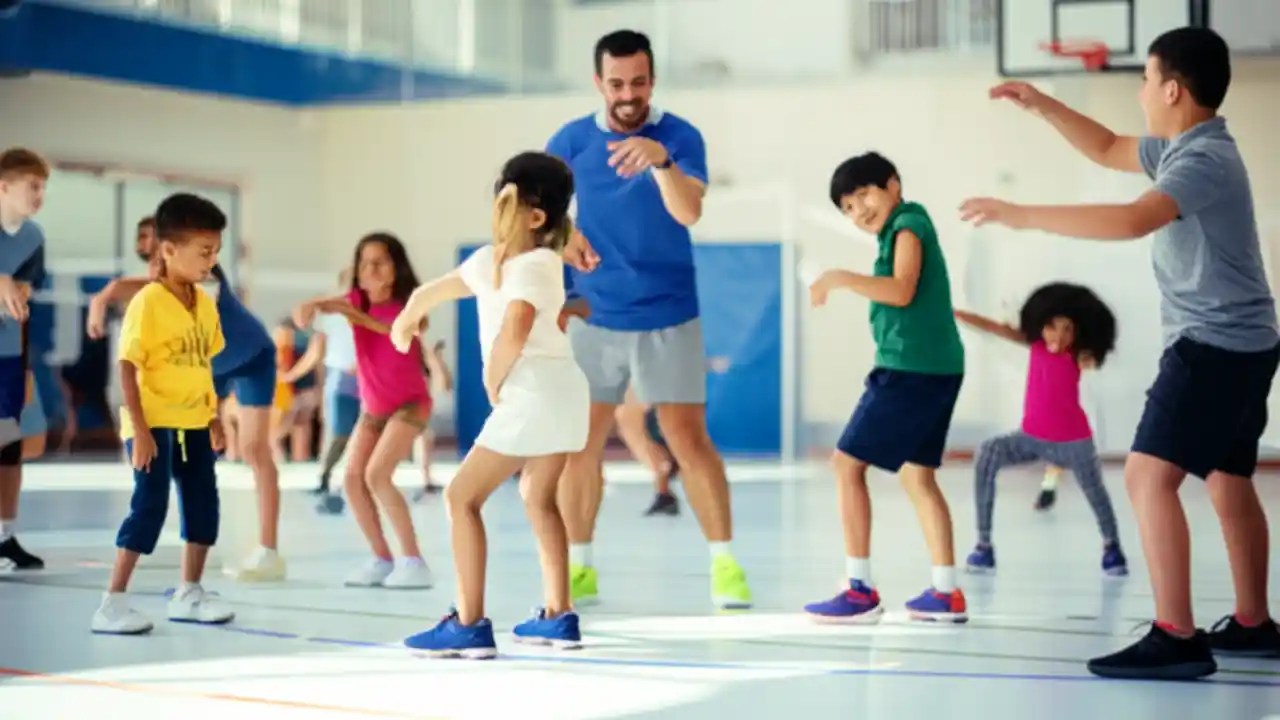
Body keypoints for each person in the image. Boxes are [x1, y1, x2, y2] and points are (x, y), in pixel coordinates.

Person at [960, 26, 1280, 679]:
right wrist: (1043, 104)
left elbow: (1135, 220)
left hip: (1212, 344)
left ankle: (1176, 635)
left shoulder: (1200, 163)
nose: (1138, 91)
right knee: (1227, 478)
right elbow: (1106, 146)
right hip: (1246, 343)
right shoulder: (1186, 148)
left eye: (1144, 79)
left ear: (1171, 87)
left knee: (1144, 475)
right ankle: (1252, 623)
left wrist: (1021, 214)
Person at [545, 29, 750, 609]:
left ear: (652, 80)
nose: (627, 94)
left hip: (668, 315)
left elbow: (688, 211)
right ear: (598, 83)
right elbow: (536, 218)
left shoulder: (680, 136)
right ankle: (581, 567)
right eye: (616, 84)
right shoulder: (570, 141)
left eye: (638, 82)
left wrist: (661, 163)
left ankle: (725, 565)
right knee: (581, 443)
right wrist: (566, 241)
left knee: (687, 438)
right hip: (594, 315)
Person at [393, 151, 586, 657]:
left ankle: (469, 622)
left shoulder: (540, 263)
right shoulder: (490, 261)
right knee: (538, 497)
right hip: (559, 392)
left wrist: (491, 377)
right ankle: (557, 615)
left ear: (535, 216)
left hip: (536, 392)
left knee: (461, 497)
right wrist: (408, 315)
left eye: (507, 198)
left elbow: (516, 325)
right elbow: (437, 290)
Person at [802, 151, 968, 624]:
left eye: (864, 195)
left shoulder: (908, 223)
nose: (859, 210)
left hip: (911, 369)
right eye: (847, 207)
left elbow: (901, 290)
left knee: (845, 465)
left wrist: (838, 278)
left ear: (893, 185)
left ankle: (858, 590)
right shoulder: (897, 233)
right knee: (918, 476)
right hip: (934, 367)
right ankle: (946, 593)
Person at [87, 217, 286, 583]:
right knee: (185, 476)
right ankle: (179, 576)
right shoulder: (157, 292)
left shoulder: (198, 272)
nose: (147, 242)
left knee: (256, 450)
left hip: (251, 354)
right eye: (142, 237)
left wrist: (106, 293)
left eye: (153, 235)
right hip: (209, 365)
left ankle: (268, 550)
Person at [90, 193, 234, 634]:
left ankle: (189, 592)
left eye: (215, 251)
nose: (212, 261)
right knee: (149, 506)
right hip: (154, 423)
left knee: (203, 505)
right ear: (168, 250)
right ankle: (112, 603)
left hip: (194, 422)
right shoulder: (148, 302)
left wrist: (211, 417)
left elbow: (203, 365)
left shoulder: (204, 303)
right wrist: (142, 429)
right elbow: (127, 366)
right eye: (204, 251)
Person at [955, 283, 1127, 577]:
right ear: (1039, 325)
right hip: (1031, 439)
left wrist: (1089, 356)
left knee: (1095, 492)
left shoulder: (1077, 356)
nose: (1058, 336)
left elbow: (1092, 360)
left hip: (1074, 443)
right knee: (987, 453)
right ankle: (984, 546)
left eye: (1067, 329)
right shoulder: (1033, 344)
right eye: (1051, 327)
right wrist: (955, 314)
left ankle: (1112, 547)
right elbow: (993, 328)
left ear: (1079, 332)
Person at [293, 233, 433, 589]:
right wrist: (308, 307)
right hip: (374, 408)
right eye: (363, 262)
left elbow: (393, 332)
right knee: (352, 480)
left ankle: (414, 561)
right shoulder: (355, 299)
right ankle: (382, 559)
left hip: (410, 404)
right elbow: (327, 304)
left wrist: (353, 314)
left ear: (395, 267)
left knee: (378, 475)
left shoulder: (410, 305)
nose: (369, 269)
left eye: (379, 262)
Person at [0, 147, 49, 572]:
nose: (40, 195)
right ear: (4, 186)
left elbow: (28, 286)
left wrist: (15, 292)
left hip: (9, 355)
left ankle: (5, 537)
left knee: (10, 448)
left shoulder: (33, 237)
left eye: (43, 187)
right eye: (32, 186)